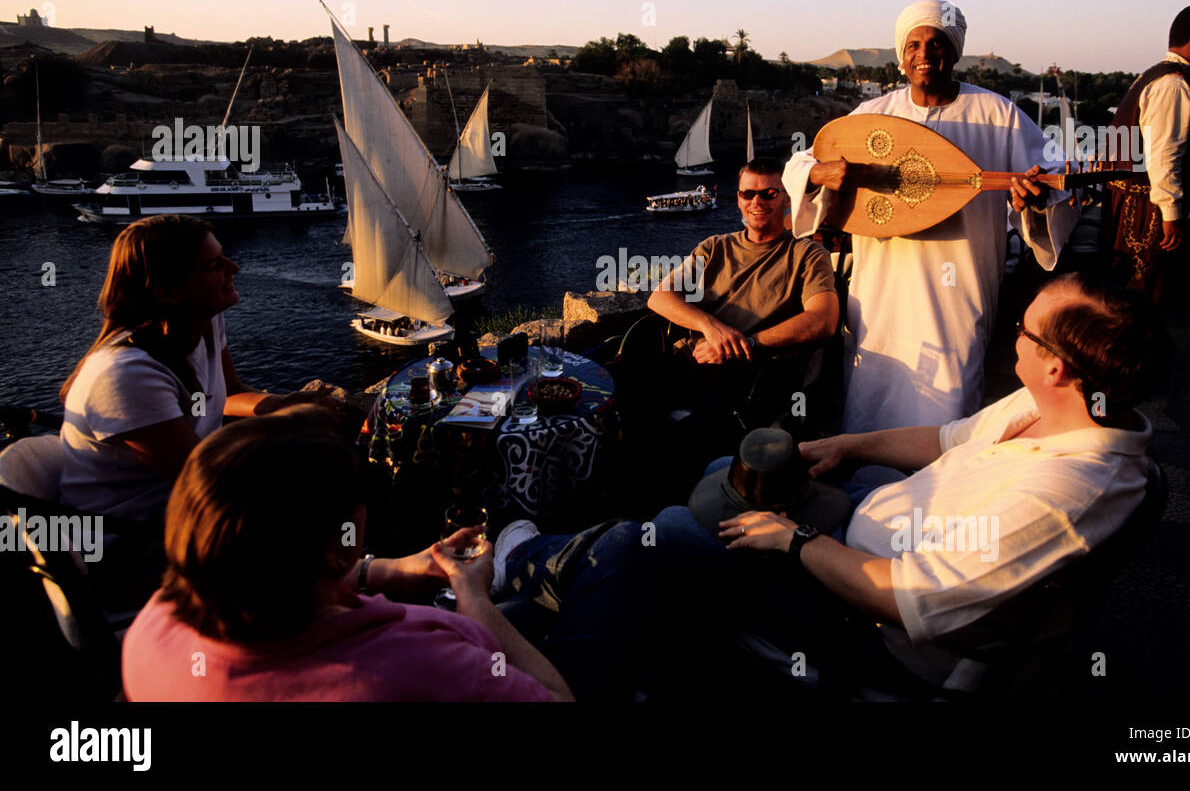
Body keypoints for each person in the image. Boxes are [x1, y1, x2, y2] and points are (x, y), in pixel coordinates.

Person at [710, 272, 1170, 691]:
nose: (1015, 340)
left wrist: (796, 539)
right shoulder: (1059, 404)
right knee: (724, 472)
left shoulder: (1069, 493)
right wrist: (848, 446)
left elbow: (912, 597)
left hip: (869, 619)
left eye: (1024, 332)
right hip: (869, 526)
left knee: (666, 533)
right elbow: (951, 439)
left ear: (1056, 367)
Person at [121, 407, 570, 701]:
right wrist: (475, 600)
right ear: (339, 545)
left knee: (534, 596)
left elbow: (257, 564)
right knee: (620, 548)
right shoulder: (411, 666)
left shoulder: (156, 624)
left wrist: (385, 571)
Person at [783, 0, 1076, 435]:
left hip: (961, 284)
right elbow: (796, 167)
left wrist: (1031, 202)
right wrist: (820, 171)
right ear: (901, 56)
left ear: (955, 51)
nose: (925, 53)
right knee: (873, 386)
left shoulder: (998, 115)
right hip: (883, 283)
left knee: (951, 394)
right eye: (914, 44)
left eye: (937, 43)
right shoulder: (874, 114)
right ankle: (868, 485)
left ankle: (938, 489)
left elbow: (1056, 177)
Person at [59, 215, 347, 607]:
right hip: (129, 548)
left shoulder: (203, 323)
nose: (234, 268)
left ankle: (346, 587)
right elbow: (201, 478)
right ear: (169, 292)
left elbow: (229, 394)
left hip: (184, 514)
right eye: (215, 265)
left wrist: (283, 406)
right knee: (332, 489)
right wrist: (296, 437)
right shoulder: (126, 375)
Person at [647, 159, 838, 366]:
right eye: (747, 194)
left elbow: (823, 319)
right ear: (739, 199)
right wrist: (710, 326)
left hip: (750, 372)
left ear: (788, 199)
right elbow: (659, 297)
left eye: (768, 194)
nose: (756, 202)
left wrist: (743, 345)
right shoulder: (714, 247)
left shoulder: (808, 254)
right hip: (693, 358)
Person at [1102, 4, 1190, 298]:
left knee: (1126, 289)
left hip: (1132, 200)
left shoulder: (1154, 75)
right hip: (1145, 207)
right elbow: (1164, 153)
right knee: (1143, 289)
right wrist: (1170, 213)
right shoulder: (1172, 84)